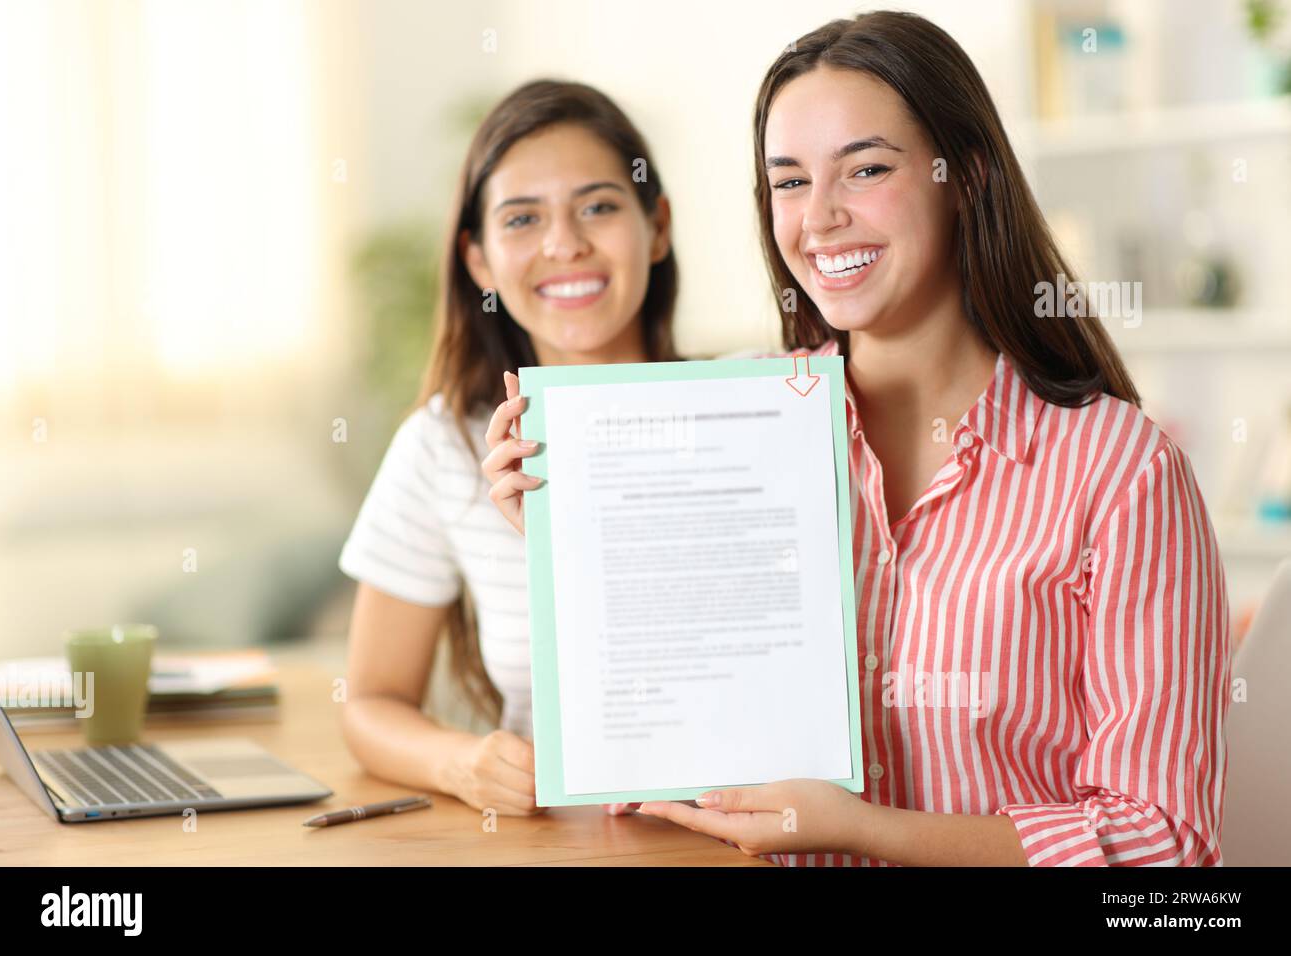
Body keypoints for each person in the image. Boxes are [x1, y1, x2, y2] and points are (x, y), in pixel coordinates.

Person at [486, 12, 1231, 866]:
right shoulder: (726, 427)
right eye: (790, 182)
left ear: (969, 175)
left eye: (867, 169)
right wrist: (583, 551)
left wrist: (864, 829)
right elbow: (655, 776)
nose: (821, 218)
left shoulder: (1122, 472)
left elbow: (1165, 845)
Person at [337, 79, 677, 819]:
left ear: (657, 227)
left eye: (599, 206)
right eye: (522, 219)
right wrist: (461, 762)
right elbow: (368, 702)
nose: (564, 244)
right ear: (480, 261)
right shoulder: (443, 444)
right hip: (550, 845)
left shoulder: (768, 410)